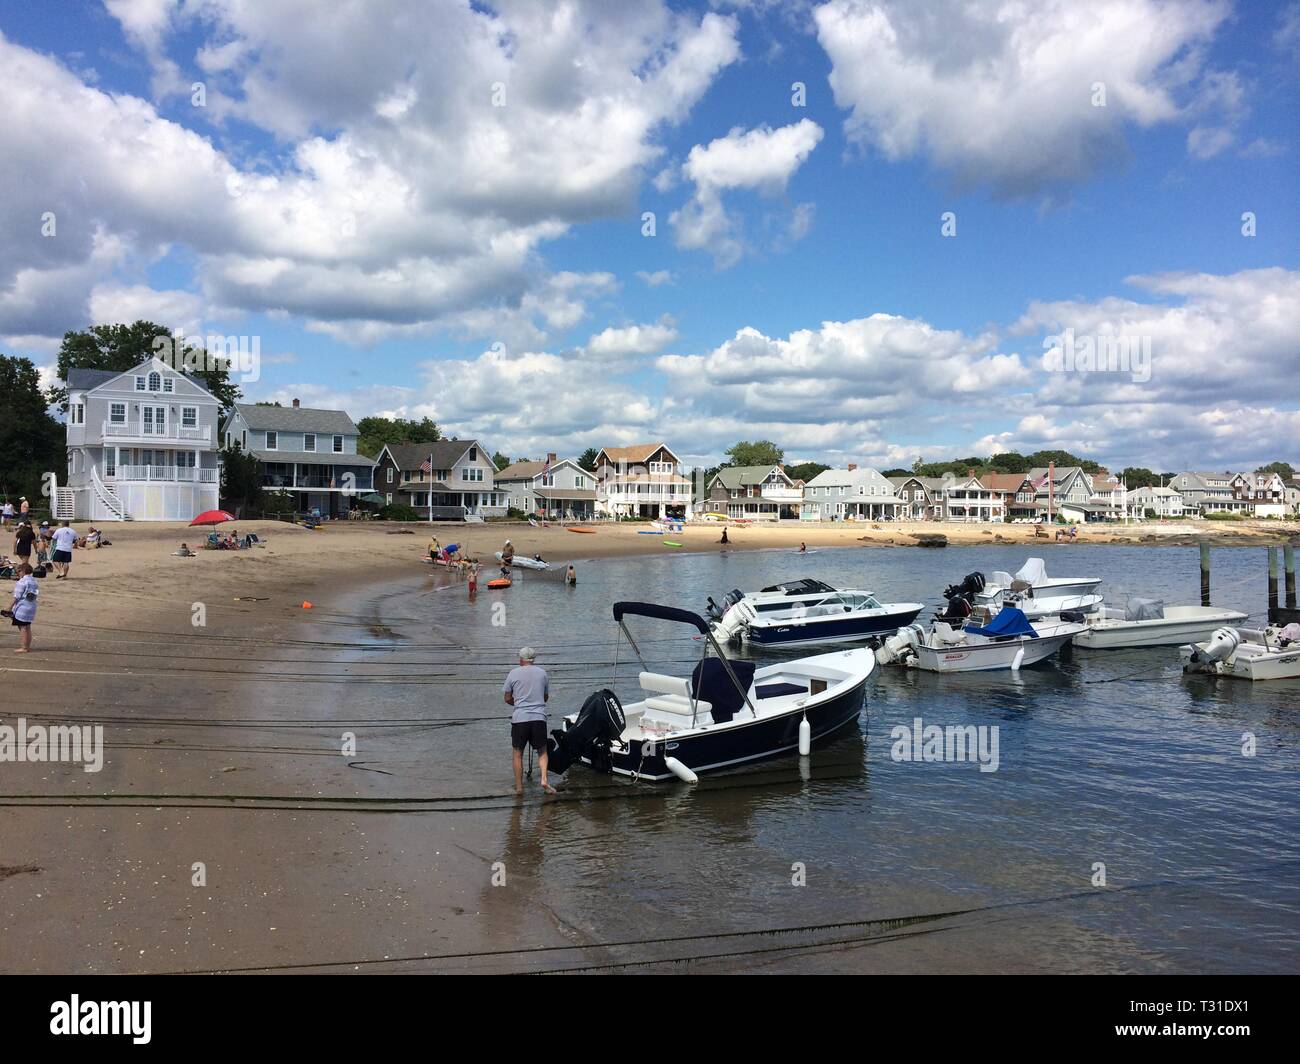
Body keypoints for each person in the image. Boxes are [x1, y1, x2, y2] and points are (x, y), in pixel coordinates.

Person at [503, 647, 554, 794]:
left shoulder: (513, 673)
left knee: (518, 753)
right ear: (533, 659)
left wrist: (518, 703)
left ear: (521, 659)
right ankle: (544, 779)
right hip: (539, 717)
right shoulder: (542, 673)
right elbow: (545, 698)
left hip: (520, 718)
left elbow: (507, 698)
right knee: (542, 750)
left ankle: (519, 788)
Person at [7, 563, 38, 653]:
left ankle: (24, 647)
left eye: (19, 571)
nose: (18, 573)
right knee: (27, 627)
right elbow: (34, 595)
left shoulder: (22, 581)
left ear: (23, 571)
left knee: (23, 628)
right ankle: (27, 646)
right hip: (31, 606)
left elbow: (17, 596)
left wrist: (9, 607)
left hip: (22, 608)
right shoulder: (34, 581)